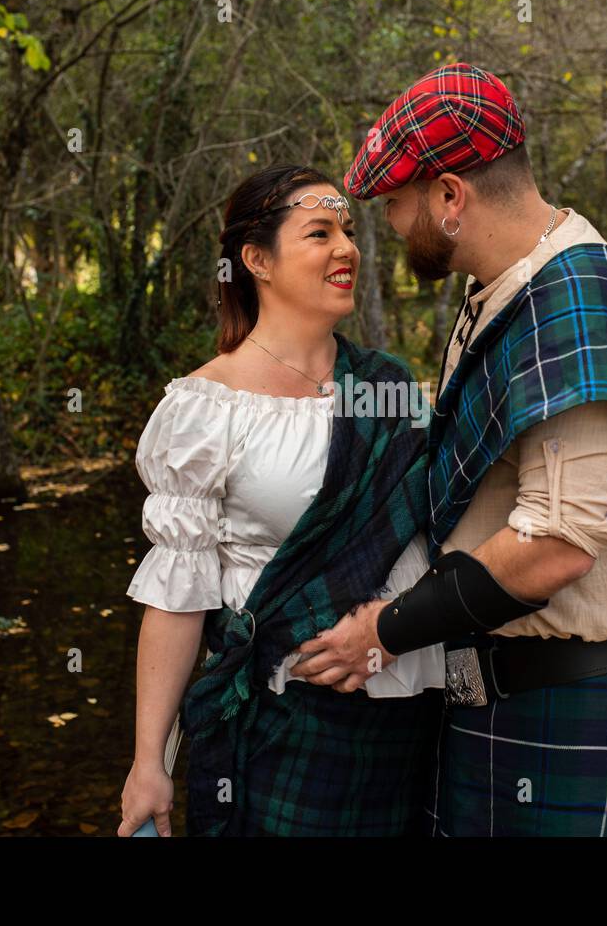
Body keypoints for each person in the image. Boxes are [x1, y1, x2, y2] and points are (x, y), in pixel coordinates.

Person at [292, 62, 607, 836]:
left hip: (577, 713)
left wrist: (382, 629)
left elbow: (556, 545)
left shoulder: (579, 297)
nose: (389, 224)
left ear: (451, 197)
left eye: (398, 204)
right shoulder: (502, 293)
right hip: (496, 707)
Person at [118, 166, 444, 837]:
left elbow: (429, 535)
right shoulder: (205, 409)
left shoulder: (384, 385)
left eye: (349, 231)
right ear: (257, 260)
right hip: (283, 720)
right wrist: (149, 759)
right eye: (319, 232)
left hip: (413, 713)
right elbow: (179, 597)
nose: (346, 249)